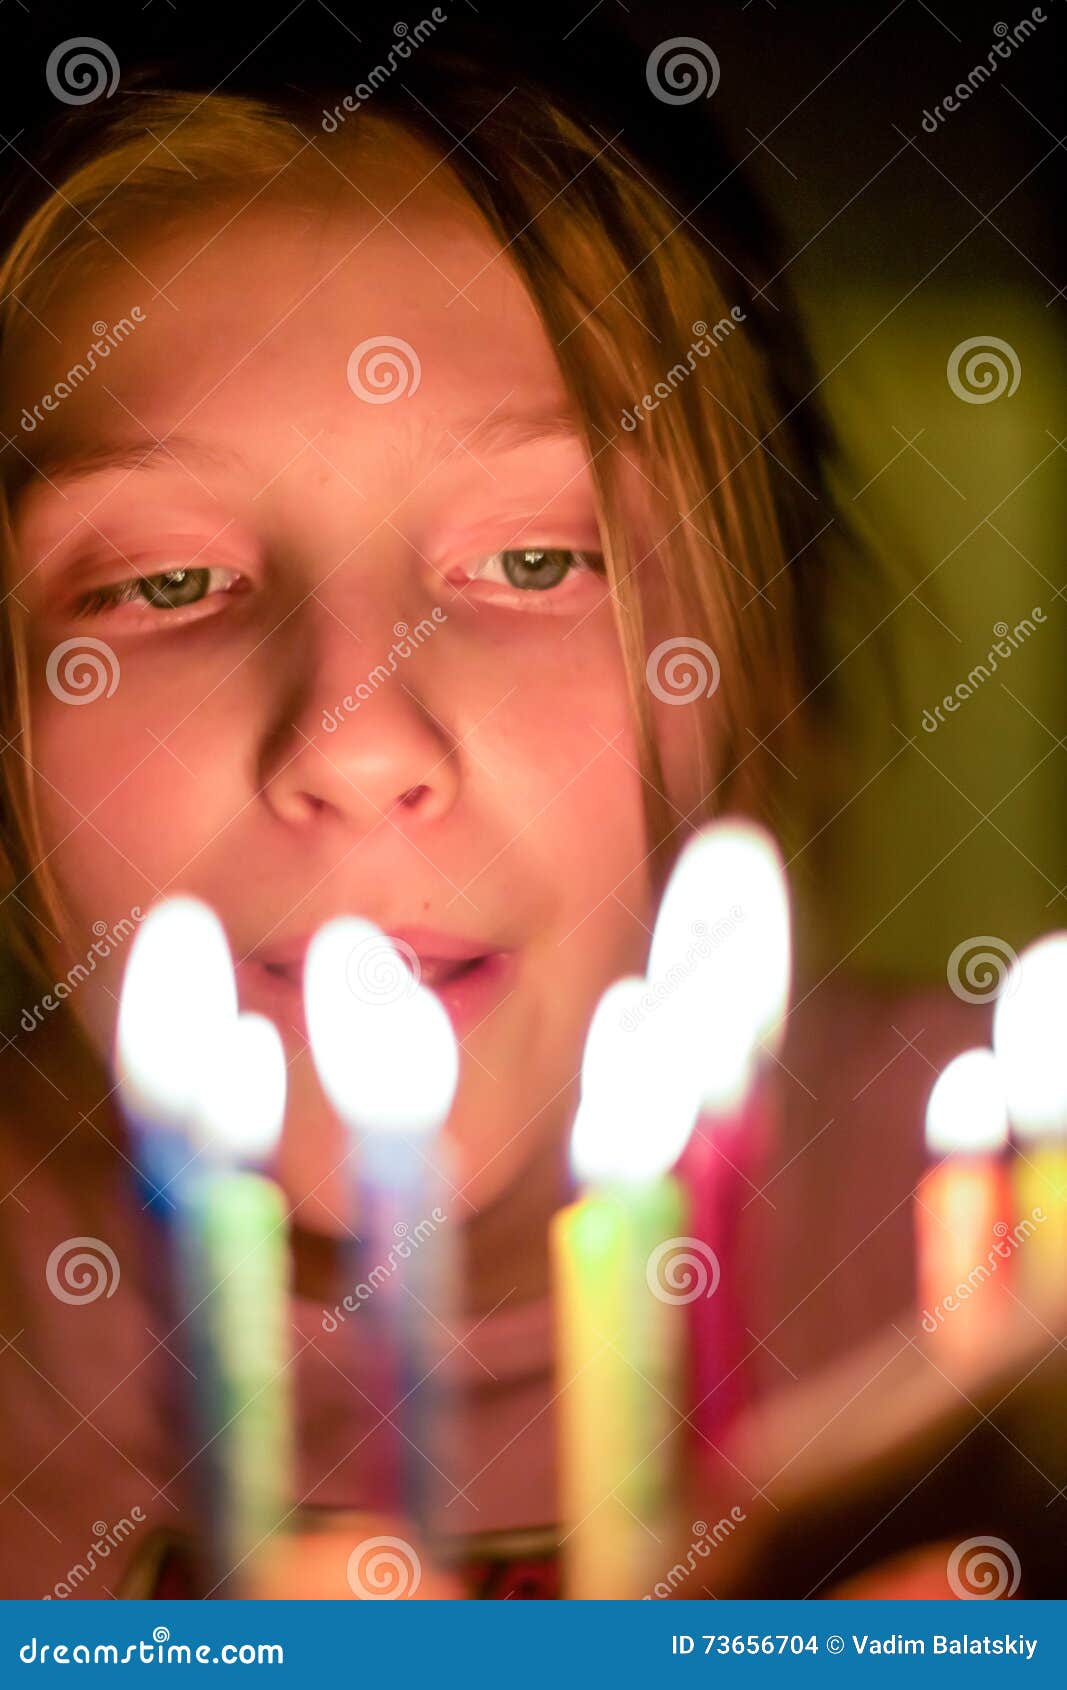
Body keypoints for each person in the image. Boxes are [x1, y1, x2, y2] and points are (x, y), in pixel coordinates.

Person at [0, 27, 958, 1599]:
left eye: (535, 563)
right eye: (165, 584)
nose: (360, 736)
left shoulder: (1003, 1271)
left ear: (751, 663)